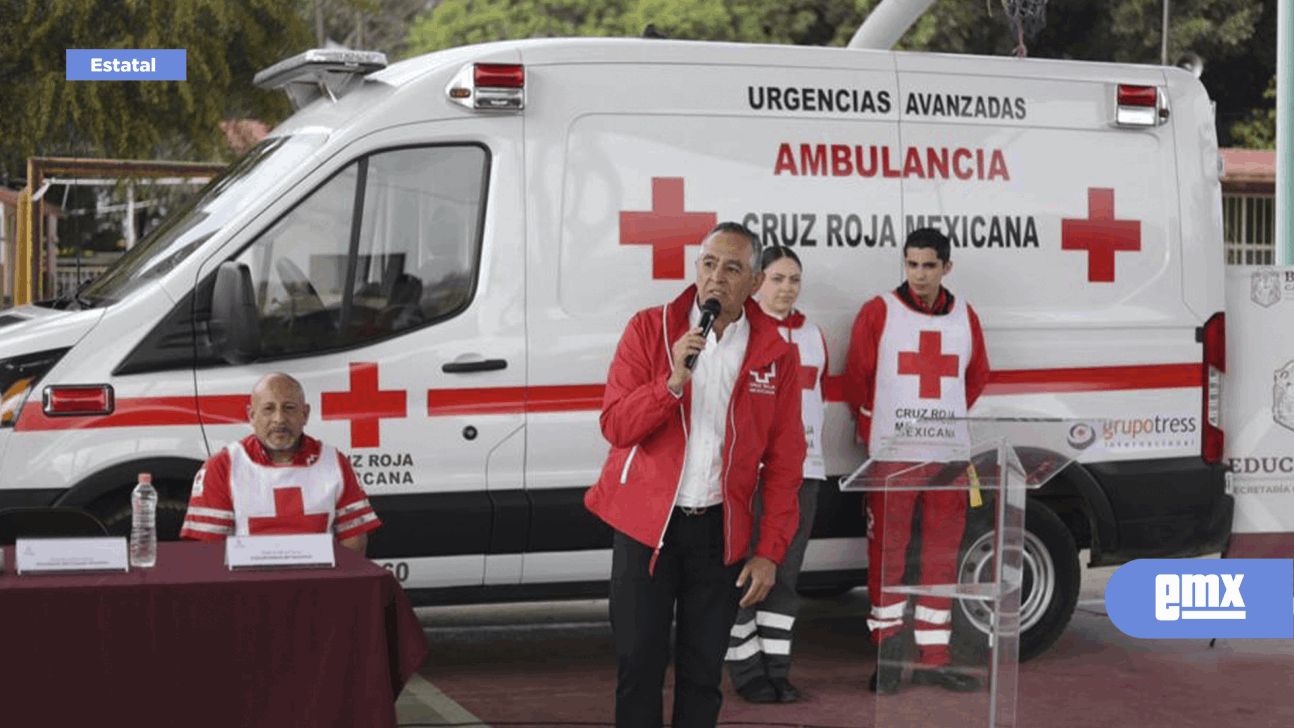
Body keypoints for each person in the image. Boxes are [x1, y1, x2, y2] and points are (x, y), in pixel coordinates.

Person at [584, 222, 806, 728]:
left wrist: (770, 551)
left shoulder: (776, 352)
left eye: (732, 269)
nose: (717, 279)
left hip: (718, 534)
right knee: (638, 667)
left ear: (753, 283)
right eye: (709, 264)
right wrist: (670, 384)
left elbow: (786, 462)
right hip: (646, 531)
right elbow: (616, 426)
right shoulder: (650, 328)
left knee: (703, 675)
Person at [843, 227, 990, 695]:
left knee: (942, 559)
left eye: (929, 265)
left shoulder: (965, 315)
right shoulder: (879, 312)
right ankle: (889, 657)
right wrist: (876, 432)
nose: (919, 275)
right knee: (888, 557)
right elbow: (856, 379)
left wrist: (937, 421)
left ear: (947, 267)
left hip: (947, 457)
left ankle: (934, 658)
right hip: (893, 459)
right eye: (912, 265)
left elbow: (976, 377)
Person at [725, 246, 828, 704]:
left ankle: (778, 673)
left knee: (784, 575)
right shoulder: (741, 333)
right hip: (750, 475)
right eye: (778, 278)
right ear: (757, 282)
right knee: (744, 573)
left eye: (794, 279)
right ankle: (748, 674)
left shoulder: (814, 334)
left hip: (805, 473)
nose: (787, 287)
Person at [179, 373, 381, 554]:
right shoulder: (222, 466)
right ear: (251, 415)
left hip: (319, 586)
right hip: (247, 589)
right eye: (268, 409)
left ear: (305, 414)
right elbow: (206, 551)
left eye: (289, 408)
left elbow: (354, 541)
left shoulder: (334, 462)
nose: (279, 419)